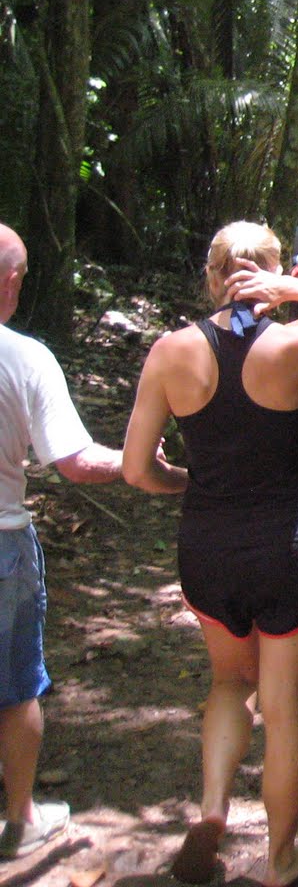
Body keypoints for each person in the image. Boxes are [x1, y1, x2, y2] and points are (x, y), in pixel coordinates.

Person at [123, 222, 298, 887]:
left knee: (231, 682)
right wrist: (287, 289)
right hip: (291, 543)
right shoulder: (289, 342)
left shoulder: (170, 352)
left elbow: (138, 470)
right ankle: (281, 859)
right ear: (271, 274)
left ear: (211, 277)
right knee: (286, 708)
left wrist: (184, 481)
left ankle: (215, 807)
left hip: (209, 541)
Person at [0, 225, 183, 860]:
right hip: (2, 545)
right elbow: (74, 462)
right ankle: (22, 821)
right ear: (13, 281)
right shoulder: (23, 359)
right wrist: (147, 467)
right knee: (16, 685)